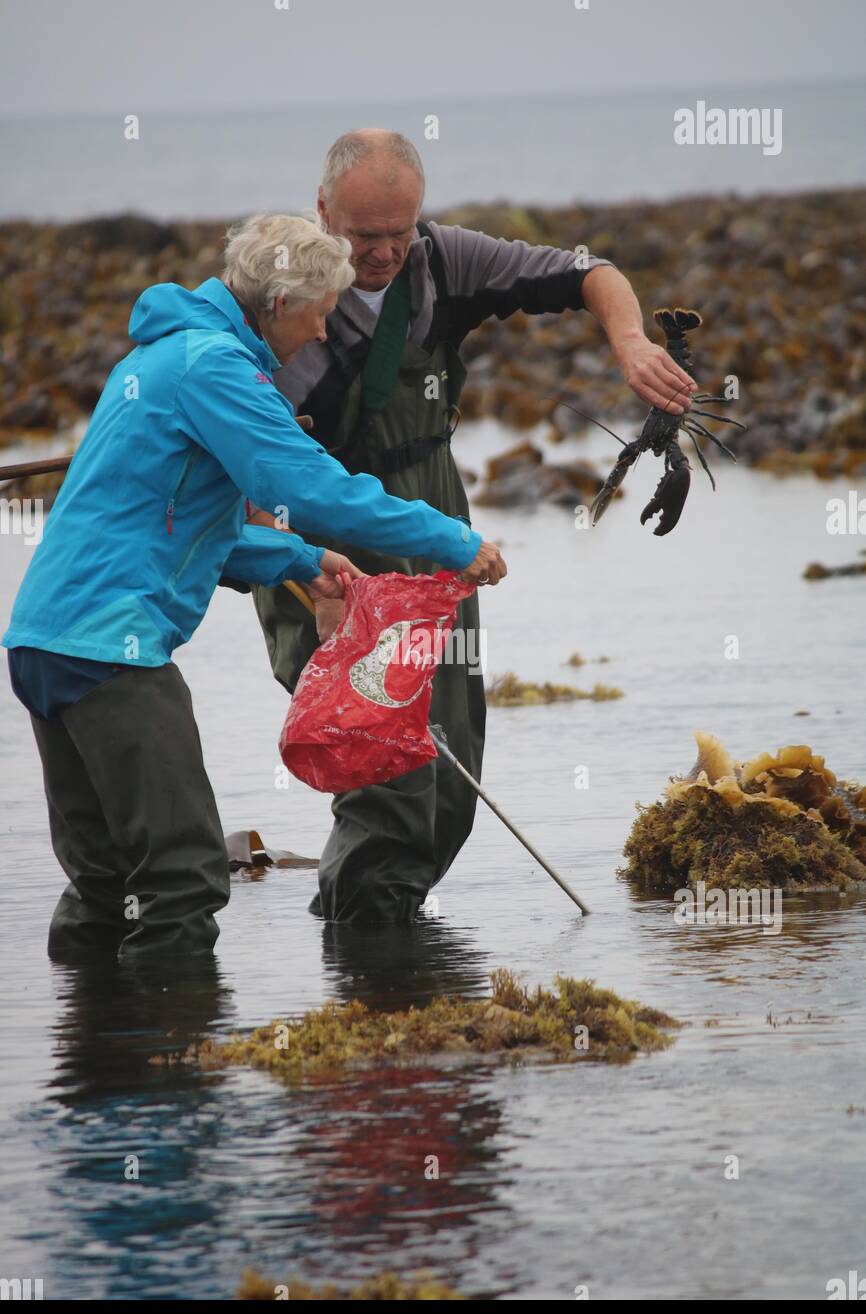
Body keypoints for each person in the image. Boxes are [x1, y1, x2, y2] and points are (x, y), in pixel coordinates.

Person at [2, 213, 506, 961]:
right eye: (321, 310)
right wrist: (454, 540)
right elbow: (309, 486)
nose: (325, 330)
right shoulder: (215, 367)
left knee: (109, 883)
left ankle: (97, 1067)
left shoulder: (164, 354)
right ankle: (177, 1067)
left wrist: (300, 561)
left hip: (44, 643)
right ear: (277, 305)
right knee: (183, 879)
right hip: (112, 649)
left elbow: (179, 523)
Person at [250, 130, 696, 926]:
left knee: (448, 778)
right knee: (385, 770)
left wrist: (630, 343)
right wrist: (299, 568)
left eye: (400, 232)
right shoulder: (280, 304)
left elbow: (591, 271)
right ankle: (373, 973)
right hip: (319, 543)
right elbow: (247, 475)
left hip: (432, 528)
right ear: (321, 212)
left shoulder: (448, 262)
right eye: (363, 237)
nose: (384, 253)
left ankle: (374, 949)